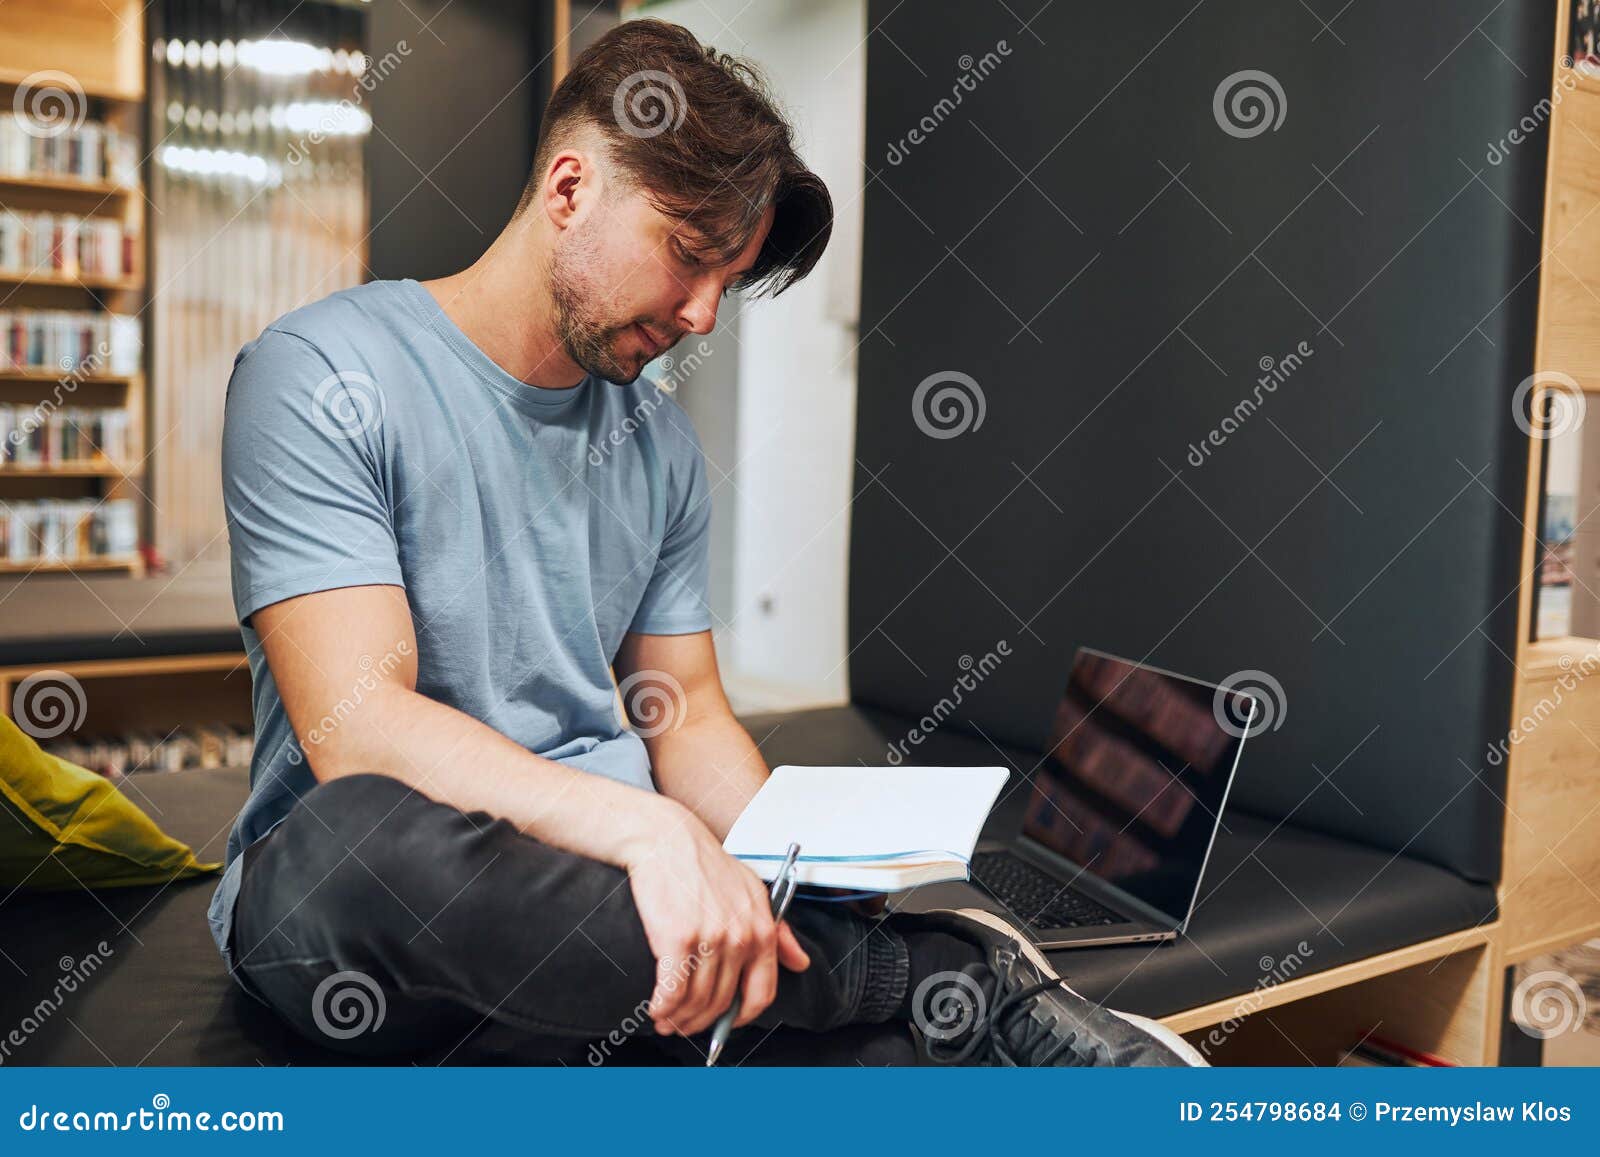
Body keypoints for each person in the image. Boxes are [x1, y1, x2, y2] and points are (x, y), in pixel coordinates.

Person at [210, 17, 1203, 1068]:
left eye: (726, 282)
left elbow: (683, 719)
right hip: (381, 926)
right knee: (355, 842)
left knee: (865, 1043)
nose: (701, 316)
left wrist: (807, 856)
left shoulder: (658, 444)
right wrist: (647, 832)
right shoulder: (320, 375)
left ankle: (897, 988)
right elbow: (359, 731)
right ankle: (935, 977)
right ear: (568, 189)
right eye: (689, 258)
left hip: (610, 929)